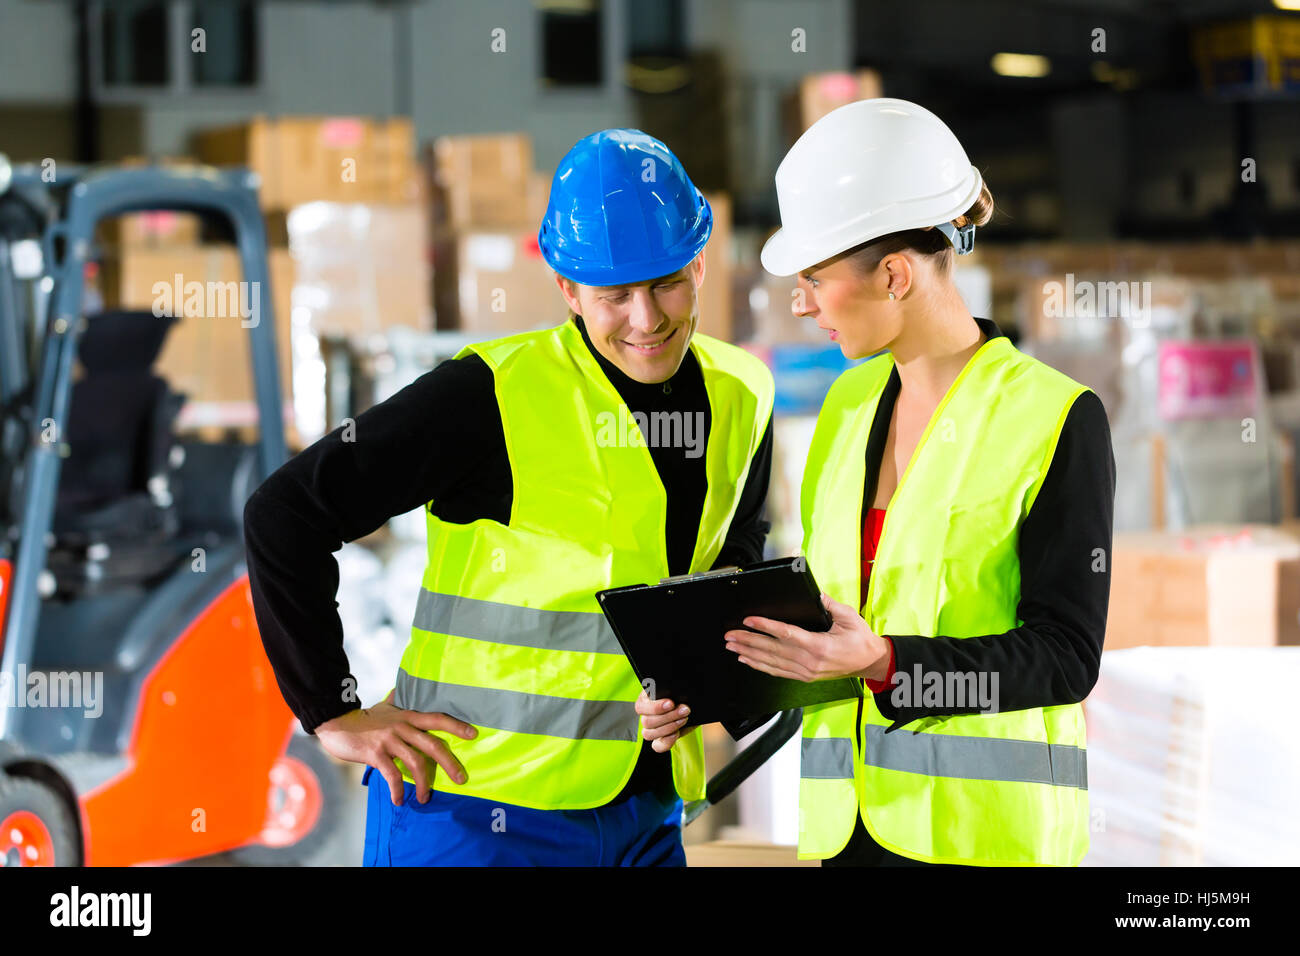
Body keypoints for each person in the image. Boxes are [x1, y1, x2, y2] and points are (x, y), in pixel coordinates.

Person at [243, 129, 775, 866]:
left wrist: (705, 683)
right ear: (565, 288)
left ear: (700, 262)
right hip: (473, 808)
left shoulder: (743, 391)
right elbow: (284, 514)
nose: (646, 319)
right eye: (614, 295)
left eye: (667, 283)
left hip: (646, 810)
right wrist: (331, 710)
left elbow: (736, 548)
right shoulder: (489, 395)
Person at [712, 98, 1114, 866]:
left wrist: (888, 666)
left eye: (816, 278)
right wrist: (707, 680)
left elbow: (1065, 657)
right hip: (845, 832)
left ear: (894, 274)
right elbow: (837, 623)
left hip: (983, 843)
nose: (800, 303)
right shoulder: (847, 407)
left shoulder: (1055, 416)